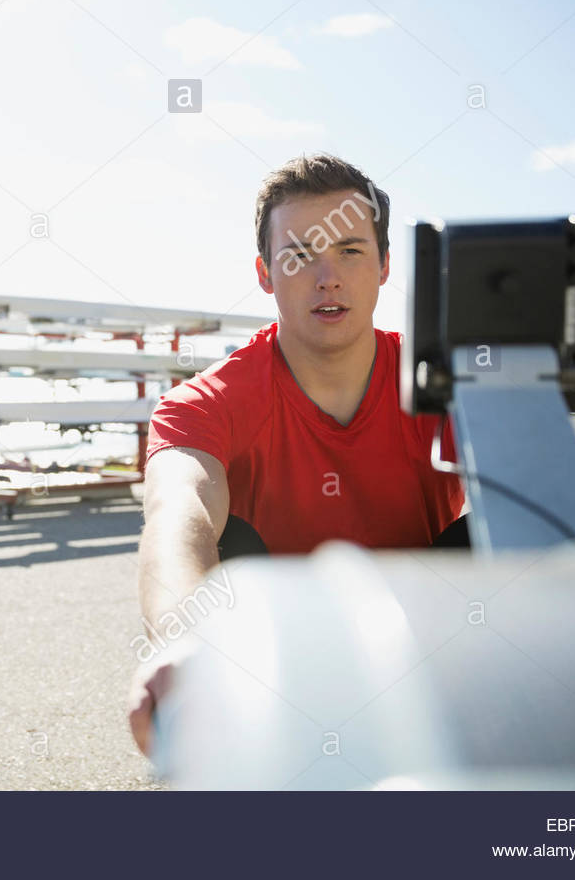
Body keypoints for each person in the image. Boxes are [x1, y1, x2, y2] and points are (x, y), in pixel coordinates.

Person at [128, 154, 468, 755]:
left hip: (427, 656)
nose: (327, 277)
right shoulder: (206, 402)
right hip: (276, 673)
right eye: (300, 255)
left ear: (385, 266)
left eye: (350, 251)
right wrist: (182, 639)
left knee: (497, 529)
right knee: (226, 539)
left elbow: (563, 504)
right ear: (265, 273)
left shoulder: (447, 385)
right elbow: (179, 513)